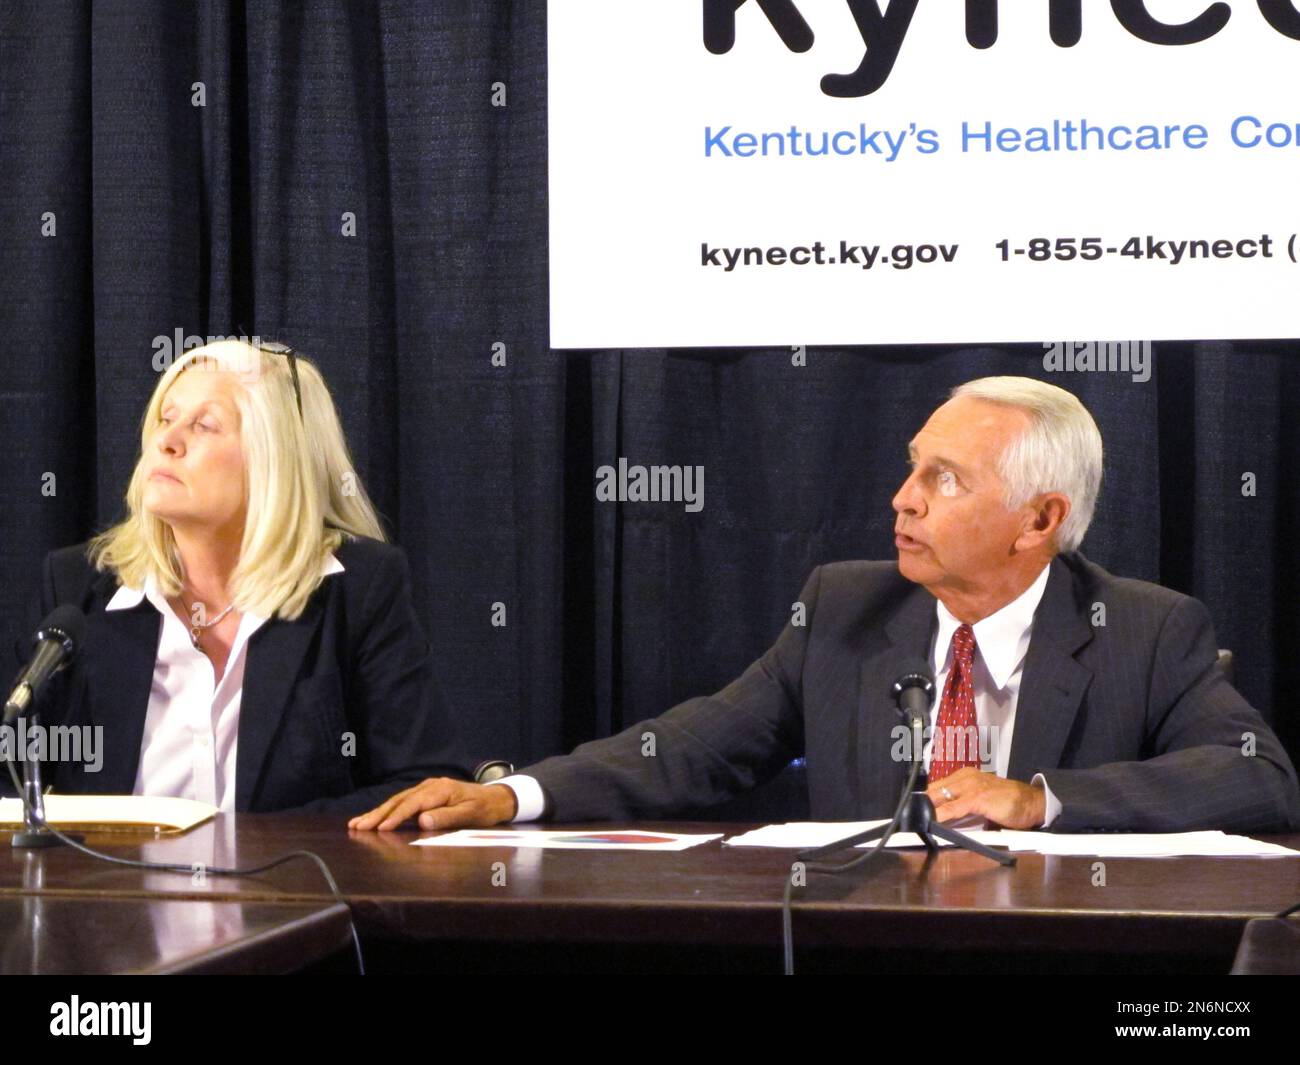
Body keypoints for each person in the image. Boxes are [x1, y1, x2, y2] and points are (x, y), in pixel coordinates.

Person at [350, 376, 1300, 834]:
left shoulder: (1146, 626)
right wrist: (509, 795)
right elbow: (692, 749)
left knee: (1203, 1023)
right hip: (866, 953)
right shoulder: (845, 607)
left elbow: (1261, 777)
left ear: (1039, 519)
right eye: (909, 466)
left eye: (944, 478)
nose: (904, 497)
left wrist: (1038, 798)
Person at [11, 339, 467, 815]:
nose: (167, 441)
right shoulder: (77, 588)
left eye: (204, 425)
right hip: (113, 888)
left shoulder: (357, 590)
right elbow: (14, 777)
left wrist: (238, 852)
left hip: (293, 887)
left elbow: (425, 787)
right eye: (165, 419)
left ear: (275, 460)